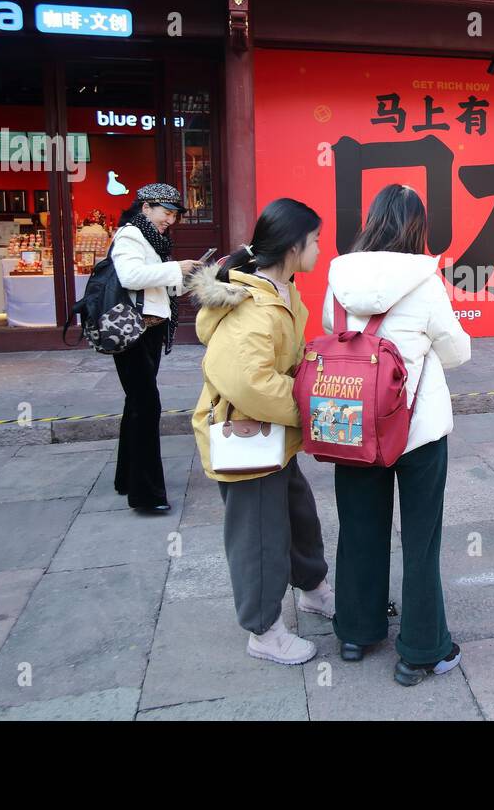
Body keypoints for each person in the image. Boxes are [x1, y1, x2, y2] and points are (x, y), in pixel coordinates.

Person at [322, 184, 472, 686]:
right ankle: (421, 651)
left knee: (359, 529)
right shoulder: (425, 280)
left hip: (354, 424)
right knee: (421, 540)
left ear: (371, 219)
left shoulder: (339, 275)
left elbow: (333, 329)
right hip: (416, 429)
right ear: (417, 226)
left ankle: (356, 632)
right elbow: (454, 350)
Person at [188, 198, 334, 666]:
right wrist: (311, 405)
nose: (319, 248)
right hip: (248, 439)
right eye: (314, 241)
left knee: (298, 518)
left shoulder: (281, 290)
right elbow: (249, 383)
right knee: (260, 538)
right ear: (293, 247)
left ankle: (313, 591)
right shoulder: (254, 305)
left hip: (273, 436)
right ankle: (264, 631)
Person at [108, 183, 202, 513]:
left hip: (149, 330)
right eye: (167, 213)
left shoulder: (154, 238)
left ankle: (126, 478)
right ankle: (146, 496)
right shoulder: (131, 234)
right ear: (146, 207)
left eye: (175, 215)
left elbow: (158, 283)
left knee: (137, 404)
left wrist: (190, 275)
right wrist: (176, 268)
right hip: (130, 331)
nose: (171, 220)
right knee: (147, 406)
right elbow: (131, 276)